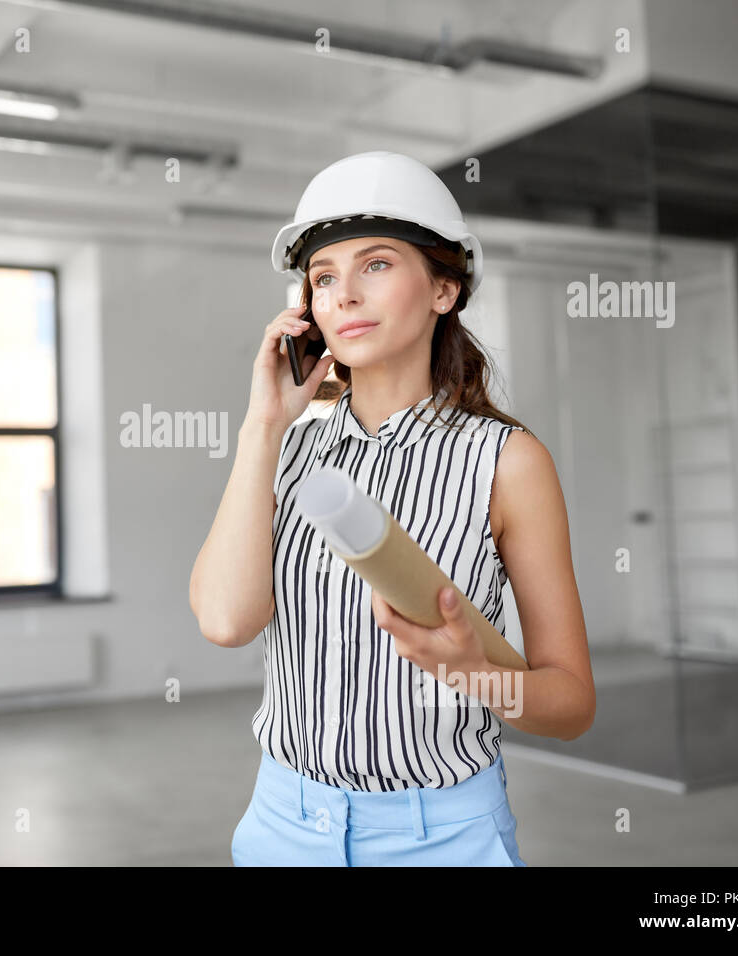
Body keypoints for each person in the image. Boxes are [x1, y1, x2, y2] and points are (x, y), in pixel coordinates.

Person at [189, 151, 594, 866]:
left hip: (441, 837)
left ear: (444, 288)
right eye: (323, 277)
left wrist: (475, 671)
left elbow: (571, 705)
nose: (343, 294)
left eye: (375, 264)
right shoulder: (287, 451)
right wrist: (263, 426)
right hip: (283, 824)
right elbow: (226, 621)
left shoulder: (508, 463)